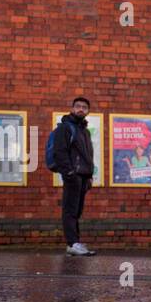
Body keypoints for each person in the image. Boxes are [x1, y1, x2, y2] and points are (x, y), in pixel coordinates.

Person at [50, 96, 96, 256]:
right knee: (70, 210)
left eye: (84, 107)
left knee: (77, 211)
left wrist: (89, 175)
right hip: (73, 176)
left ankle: (75, 242)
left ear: (88, 111)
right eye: (78, 106)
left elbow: (88, 155)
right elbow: (60, 152)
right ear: (72, 108)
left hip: (83, 176)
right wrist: (69, 173)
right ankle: (72, 243)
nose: (81, 109)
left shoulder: (85, 131)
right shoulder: (65, 128)